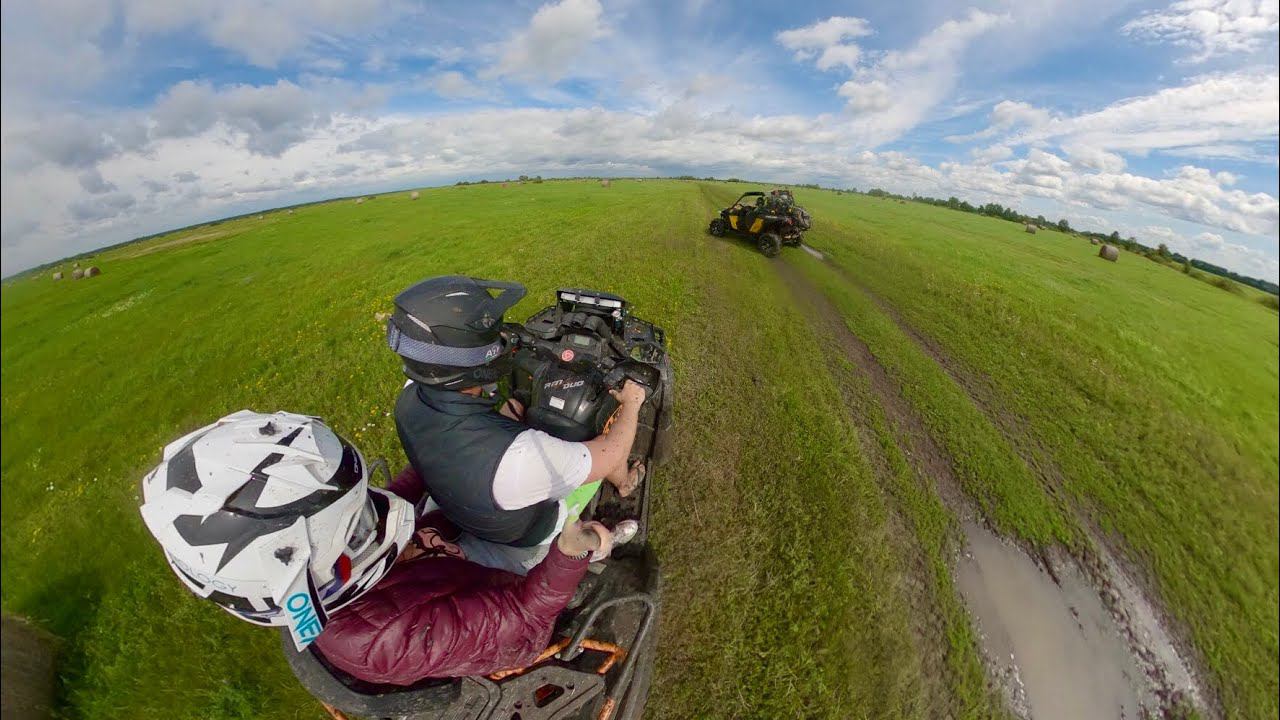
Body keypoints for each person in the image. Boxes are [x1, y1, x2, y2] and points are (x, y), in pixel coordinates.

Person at [138, 410, 615, 683]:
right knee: (563, 501)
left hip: (449, 556)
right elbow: (522, 626)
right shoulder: (382, 642)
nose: (383, 514)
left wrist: (447, 455)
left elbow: (393, 503)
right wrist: (569, 554)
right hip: (502, 586)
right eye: (362, 525)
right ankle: (617, 491)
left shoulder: (331, 568)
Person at [385, 275, 645, 575]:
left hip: (464, 502)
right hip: (529, 533)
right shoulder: (521, 458)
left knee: (524, 421)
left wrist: (505, 419)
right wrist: (632, 403)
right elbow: (610, 452)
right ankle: (611, 519)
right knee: (607, 440)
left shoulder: (407, 399)